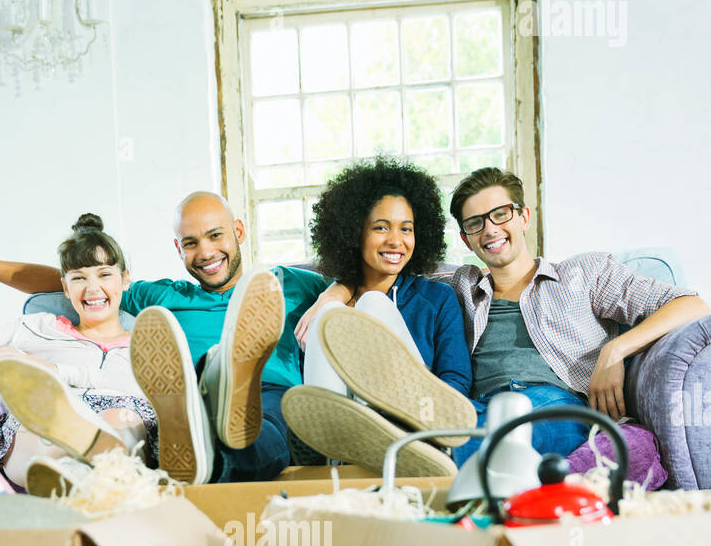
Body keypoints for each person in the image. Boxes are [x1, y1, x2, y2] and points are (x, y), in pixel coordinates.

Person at [299, 167, 710, 464]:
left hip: (555, 404)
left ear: (523, 216)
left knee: (501, 432)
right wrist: (337, 289)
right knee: (379, 316)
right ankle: (386, 432)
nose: (490, 229)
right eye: (475, 223)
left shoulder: (585, 273)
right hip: (477, 408)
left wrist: (616, 349)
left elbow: (693, 303)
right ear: (465, 238)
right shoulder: (458, 285)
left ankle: (415, 452)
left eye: (501, 214)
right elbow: (386, 263)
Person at [0, 192, 331, 483]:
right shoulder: (159, 297)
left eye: (215, 236)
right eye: (191, 243)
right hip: (195, 398)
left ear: (238, 231)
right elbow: (87, 276)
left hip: (269, 391)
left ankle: (227, 404)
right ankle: (212, 388)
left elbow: (366, 284)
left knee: (263, 431)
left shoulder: (289, 284)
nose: (206, 251)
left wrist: (336, 293)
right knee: (206, 409)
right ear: (178, 247)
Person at [0, 214, 158, 488]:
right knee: (41, 430)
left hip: (117, 425)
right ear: (65, 288)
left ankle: (80, 474)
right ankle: (65, 473)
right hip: (43, 425)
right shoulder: (38, 327)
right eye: (78, 278)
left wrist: (54, 370)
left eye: (104, 275)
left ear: (125, 280)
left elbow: (146, 388)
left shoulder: (148, 343)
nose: (93, 288)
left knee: (119, 418)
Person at [280, 157, 478, 476]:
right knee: (334, 315)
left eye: (406, 229)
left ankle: (393, 421)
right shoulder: (323, 301)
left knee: (373, 303)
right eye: (380, 227)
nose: (395, 241)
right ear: (354, 233)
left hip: (418, 421)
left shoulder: (437, 298)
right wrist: (333, 295)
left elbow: (456, 379)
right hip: (345, 431)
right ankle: (333, 437)